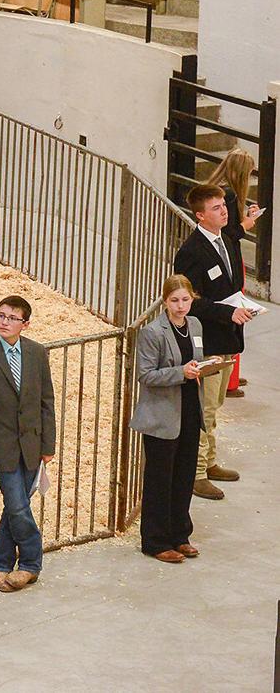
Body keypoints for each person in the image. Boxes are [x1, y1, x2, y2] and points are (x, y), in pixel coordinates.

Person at [0, 295, 56, 592]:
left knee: (14, 506)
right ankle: (31, 562)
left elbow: (46, 402)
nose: (4, 322)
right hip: (1, 448)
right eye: (1, 316)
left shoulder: (37, 353)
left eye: (12, 318)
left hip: (31, 445)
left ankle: (2, 563)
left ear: (25, 324)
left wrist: (48, 444)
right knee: (17, 505)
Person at [175, 183, 248, 500]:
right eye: (217, 207)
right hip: (206, 338)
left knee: (215, 404)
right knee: (204, 406)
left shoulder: (227, 242)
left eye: (224, 205)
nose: (225, 211)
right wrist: (226, 313)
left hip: (227, 334)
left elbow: (232, 285)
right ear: (200, 215)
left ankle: (210, 460)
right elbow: (188, 300)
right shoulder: (191, 252)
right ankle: (196, 472)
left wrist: (240, 310)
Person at [133, 275, 206, 564]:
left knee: (184, 474)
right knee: (159, 479)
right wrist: (180, 373)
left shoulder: (196, 325)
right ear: (165, 301)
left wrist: (205, 367)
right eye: (174, 300)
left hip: (189, 409)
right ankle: (155, 540)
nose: (180, 306)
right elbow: (146, 375)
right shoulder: (153, 332)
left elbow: (196, 358)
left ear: (192, 299)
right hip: (162, 415)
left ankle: (180, 534)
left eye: (185, 300)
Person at [203, 147, 263, 396]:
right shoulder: (227, 194)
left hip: (228, 257)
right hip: (229, 258)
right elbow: (227, 234)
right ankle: (228, 380)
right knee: (233, 311)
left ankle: (230, 375)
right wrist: (247, 224)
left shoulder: (219, 190)